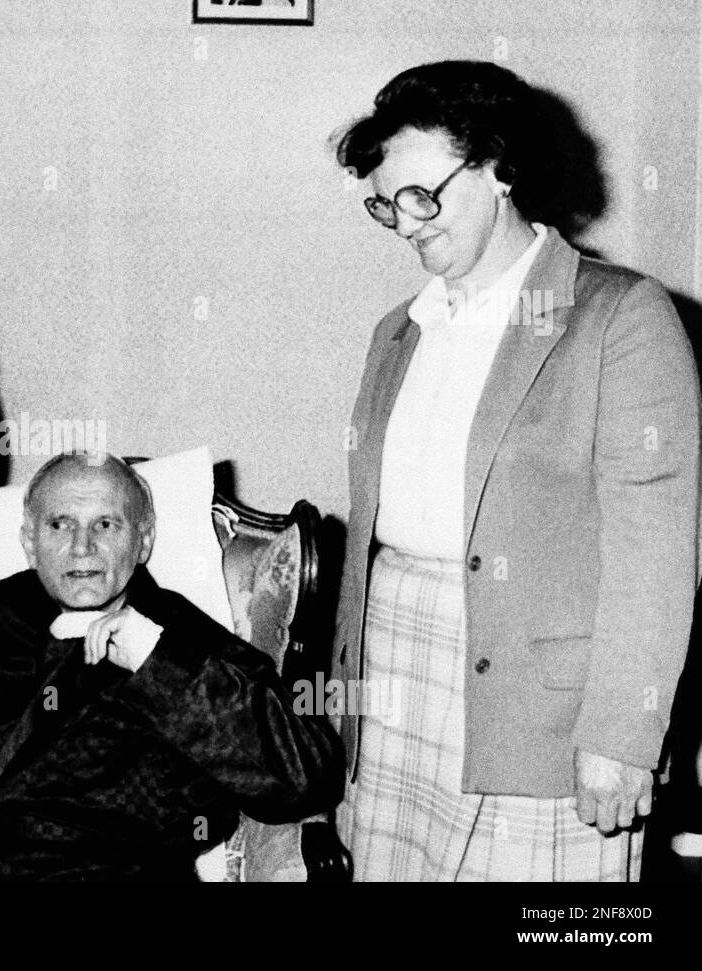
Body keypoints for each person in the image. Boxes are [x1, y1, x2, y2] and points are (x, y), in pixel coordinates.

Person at [331, 60, 700, 881]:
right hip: (399, 665)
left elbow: (660, 553)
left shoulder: (621, 316)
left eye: (425, 194)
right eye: (387, 204)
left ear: (498, 168)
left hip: (540, 708)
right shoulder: (401, 329)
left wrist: (621, 735)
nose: (406, 222)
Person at [0, 452, 343, 882]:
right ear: (29, 541)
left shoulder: (185, 636)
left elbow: (305, 773)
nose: (83, 546)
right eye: (60, 524)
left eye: (107, 523)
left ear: (144, 538)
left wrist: (158, 662)